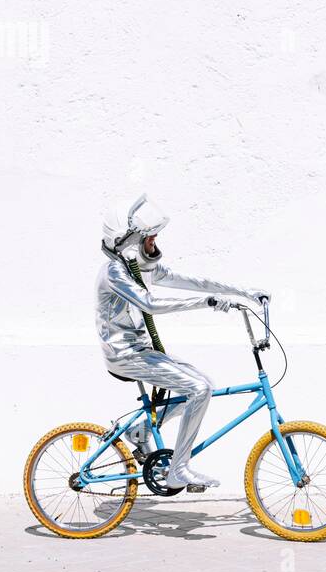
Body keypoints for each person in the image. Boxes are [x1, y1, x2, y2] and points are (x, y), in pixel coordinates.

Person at [97, 194, 268, 491]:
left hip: (141, 351)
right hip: (124, 355)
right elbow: (151, 304)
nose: (155, 243)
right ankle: (179, 468)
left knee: (203, 384)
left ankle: (140, 431)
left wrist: (245, 291)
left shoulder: (142, 268)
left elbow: (195, 281)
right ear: (128, 242)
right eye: (150, 238)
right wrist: (207, 302)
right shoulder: (115, 273)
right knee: (198, 389)